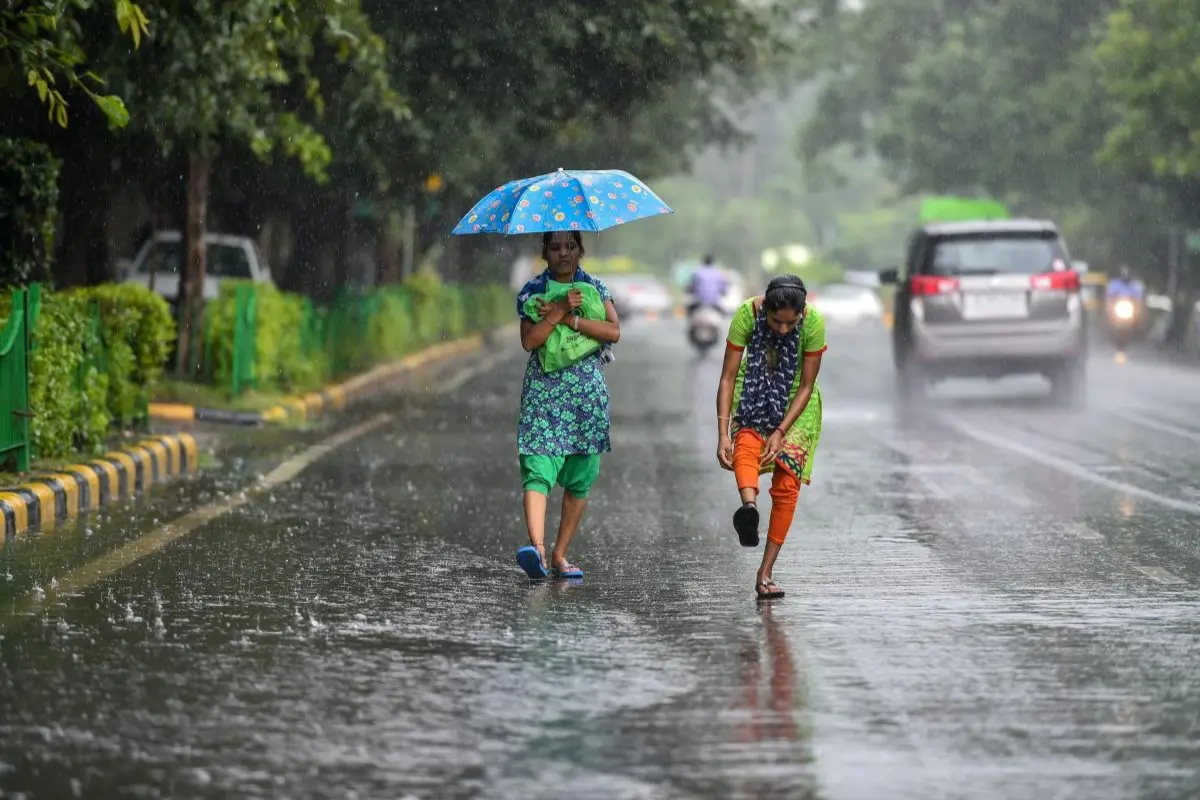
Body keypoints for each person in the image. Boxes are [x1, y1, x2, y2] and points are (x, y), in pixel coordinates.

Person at [513, 230, 621, 580]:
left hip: (585, 396)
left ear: (580, 250)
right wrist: (556, 311)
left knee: (580, 476)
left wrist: (573, 318)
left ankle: (560, 555)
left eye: (570, 247)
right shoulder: (532, 292)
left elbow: (613, 332)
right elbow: (530, 341)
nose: (563, 253)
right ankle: (538, 551)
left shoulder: (595, 288)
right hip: (544, 393)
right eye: (555, 247)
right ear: (544, 252)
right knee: (538, 465)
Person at [715, 275, 826, 600]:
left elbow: (806, 385)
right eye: (776, 321)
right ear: (765, 308)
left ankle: (765, 574)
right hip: (753, 391)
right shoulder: (746, 316)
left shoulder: (814, 323)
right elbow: (728, 378)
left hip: (797, 404)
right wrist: (723, 433)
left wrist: (780, 431)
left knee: (787, 484)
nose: (782, 329)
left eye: (790, 323)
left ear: (802, 314)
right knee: (745, 445)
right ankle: (748, 509)